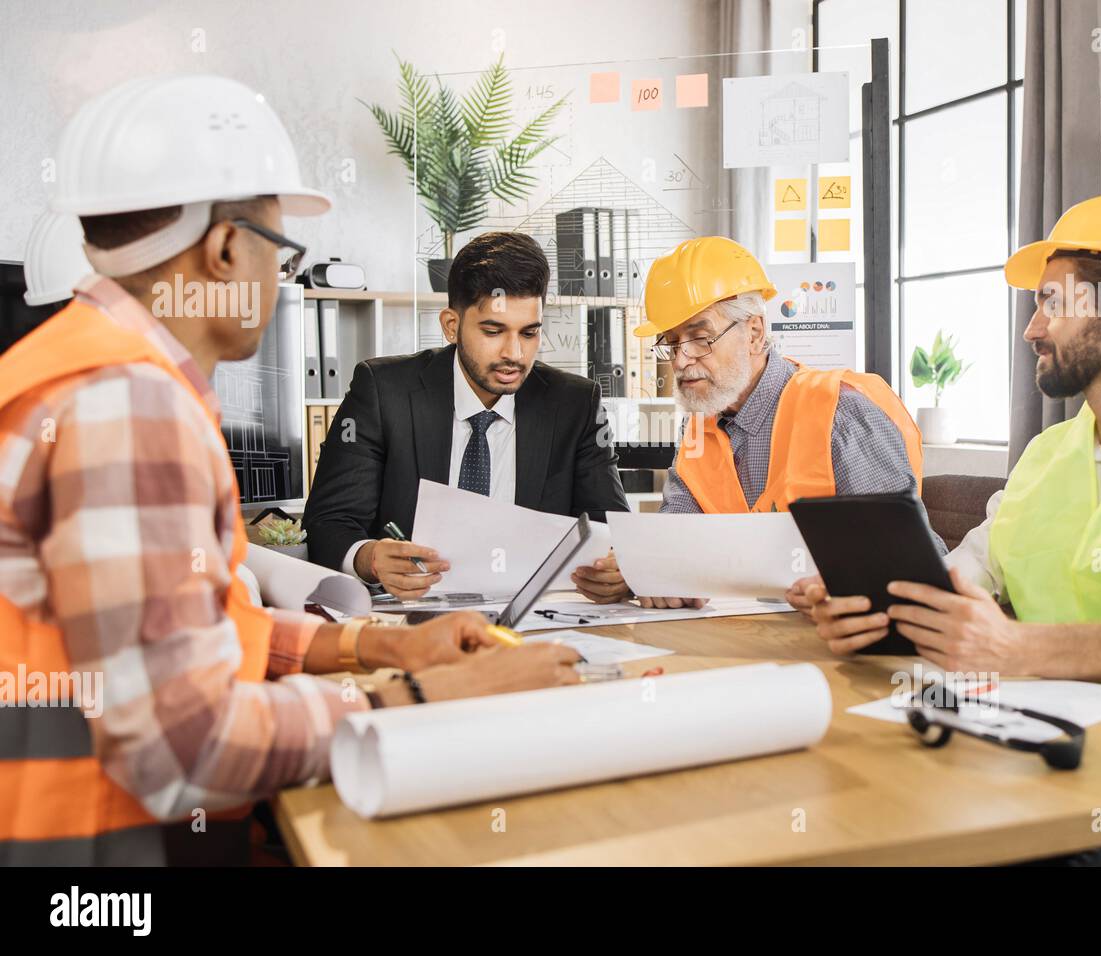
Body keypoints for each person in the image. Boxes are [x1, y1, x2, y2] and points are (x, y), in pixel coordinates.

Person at [0, 74, 578, 866]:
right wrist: (419, 699)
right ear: (228, 247)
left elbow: (194, 628)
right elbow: (185, 750)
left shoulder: (99, 376)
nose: (279, 282)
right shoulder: (124, 407)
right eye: (283, 253)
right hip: (104, 863)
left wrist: (382, 649)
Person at [799, 194, 1101, 865]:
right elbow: (956, 582)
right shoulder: (1046, 455)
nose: (1034, 329)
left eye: (1053, 304)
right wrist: (869, 605)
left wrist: (1014, 649)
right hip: (1060, 761)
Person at [570, 235, 937, 608]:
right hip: (740, 642)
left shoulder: (840, 413)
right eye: (671, 343)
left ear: (755, 332)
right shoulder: (700, 424)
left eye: (700, 338)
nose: (680, 360)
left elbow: (910, 567)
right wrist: (637, 571)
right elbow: (676, 541)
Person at [302, 231, 629, 598]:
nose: (515, 354)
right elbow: (329, 524)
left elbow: (612, 530)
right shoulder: (383, 391)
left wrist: (619, 569)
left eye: (529, 333)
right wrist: (370, 557)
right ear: (451, 326)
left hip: (533, 621)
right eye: (493, 331)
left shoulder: (575, 404)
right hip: (414, 622)